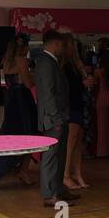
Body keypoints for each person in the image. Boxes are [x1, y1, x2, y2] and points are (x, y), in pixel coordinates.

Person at [32, 29, 79, 206]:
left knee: (58, 156)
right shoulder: (46, 62)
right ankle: (49, 194)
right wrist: (55, 117)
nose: (63, 48)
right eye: (61, 45)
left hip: (57, 116)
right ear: (56, 44)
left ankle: (57, 190)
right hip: (53, 118)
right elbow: (48, 92)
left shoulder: (49, 62)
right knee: (51, 157)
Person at [0, 34, 40, 185]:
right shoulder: (21, 60)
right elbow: (28, 83)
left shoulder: (6, 61)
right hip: (22, 99)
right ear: (25, 47)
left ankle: (5, 167)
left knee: (12, 131)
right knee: (29, 133)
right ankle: (23, 170)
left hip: (11, 98)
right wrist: (35, 77)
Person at [62, 34, 91, 191]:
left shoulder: (75, 65)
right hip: (71, 106)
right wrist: (83, 83)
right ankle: (66, 175)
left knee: (78, 142)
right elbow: (69, 88)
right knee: (71, 142)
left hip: (79, 105)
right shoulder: (65, 66)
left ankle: (77, 173)